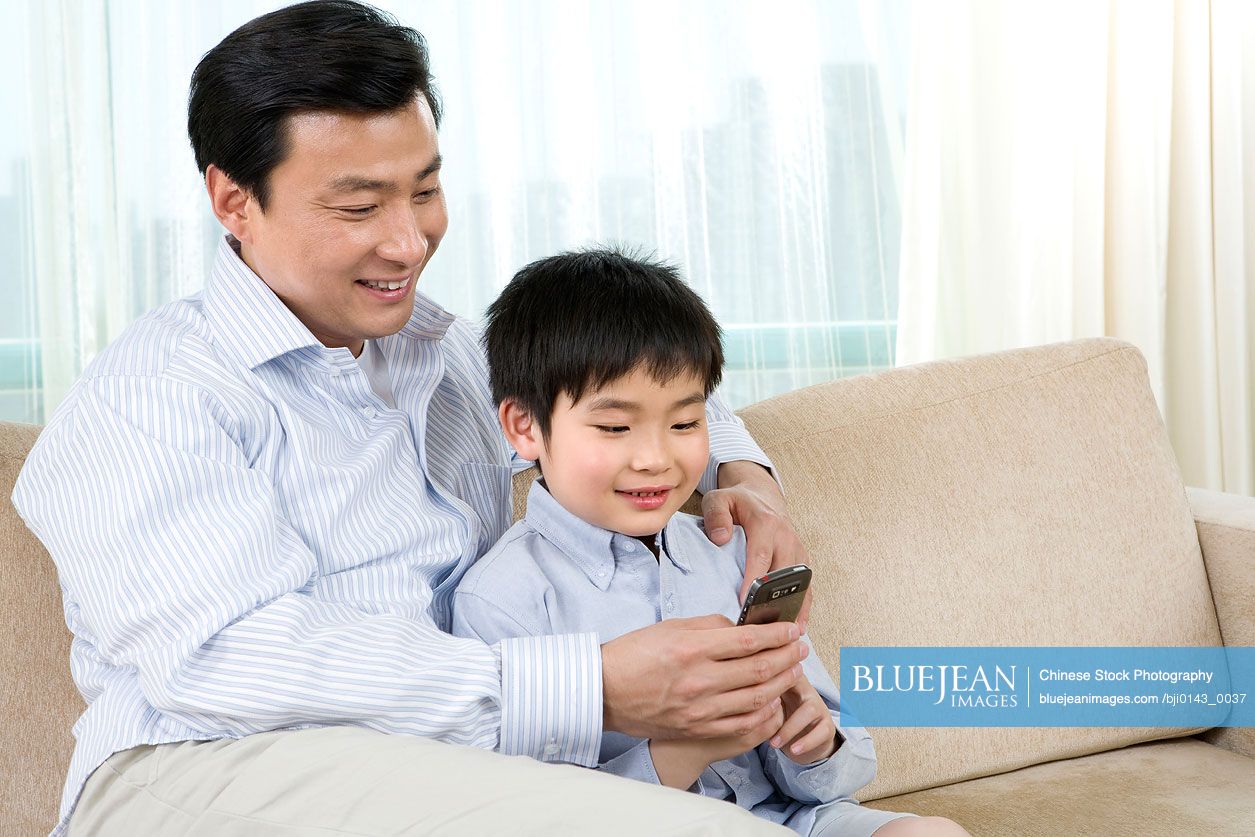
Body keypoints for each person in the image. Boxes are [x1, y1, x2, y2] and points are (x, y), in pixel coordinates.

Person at [10, 2, 826, 835]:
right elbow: (228, 660)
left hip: (440, 764)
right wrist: (594, 684)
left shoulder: (439, 352)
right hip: (204, 765)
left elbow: (627, 387)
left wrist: (747, 481)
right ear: (233, 200)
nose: (408, 242)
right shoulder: (153, 391)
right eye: (360, 207)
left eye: (425, 190)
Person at [451, 249, 969, 837]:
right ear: (525, 427)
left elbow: (842, 776)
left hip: (797, 819)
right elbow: (537, 815)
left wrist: (812, 741)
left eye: (684, 423)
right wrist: (686, 748)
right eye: (615, 427)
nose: (656, 459)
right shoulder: (501, 599)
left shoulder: (729, 550)